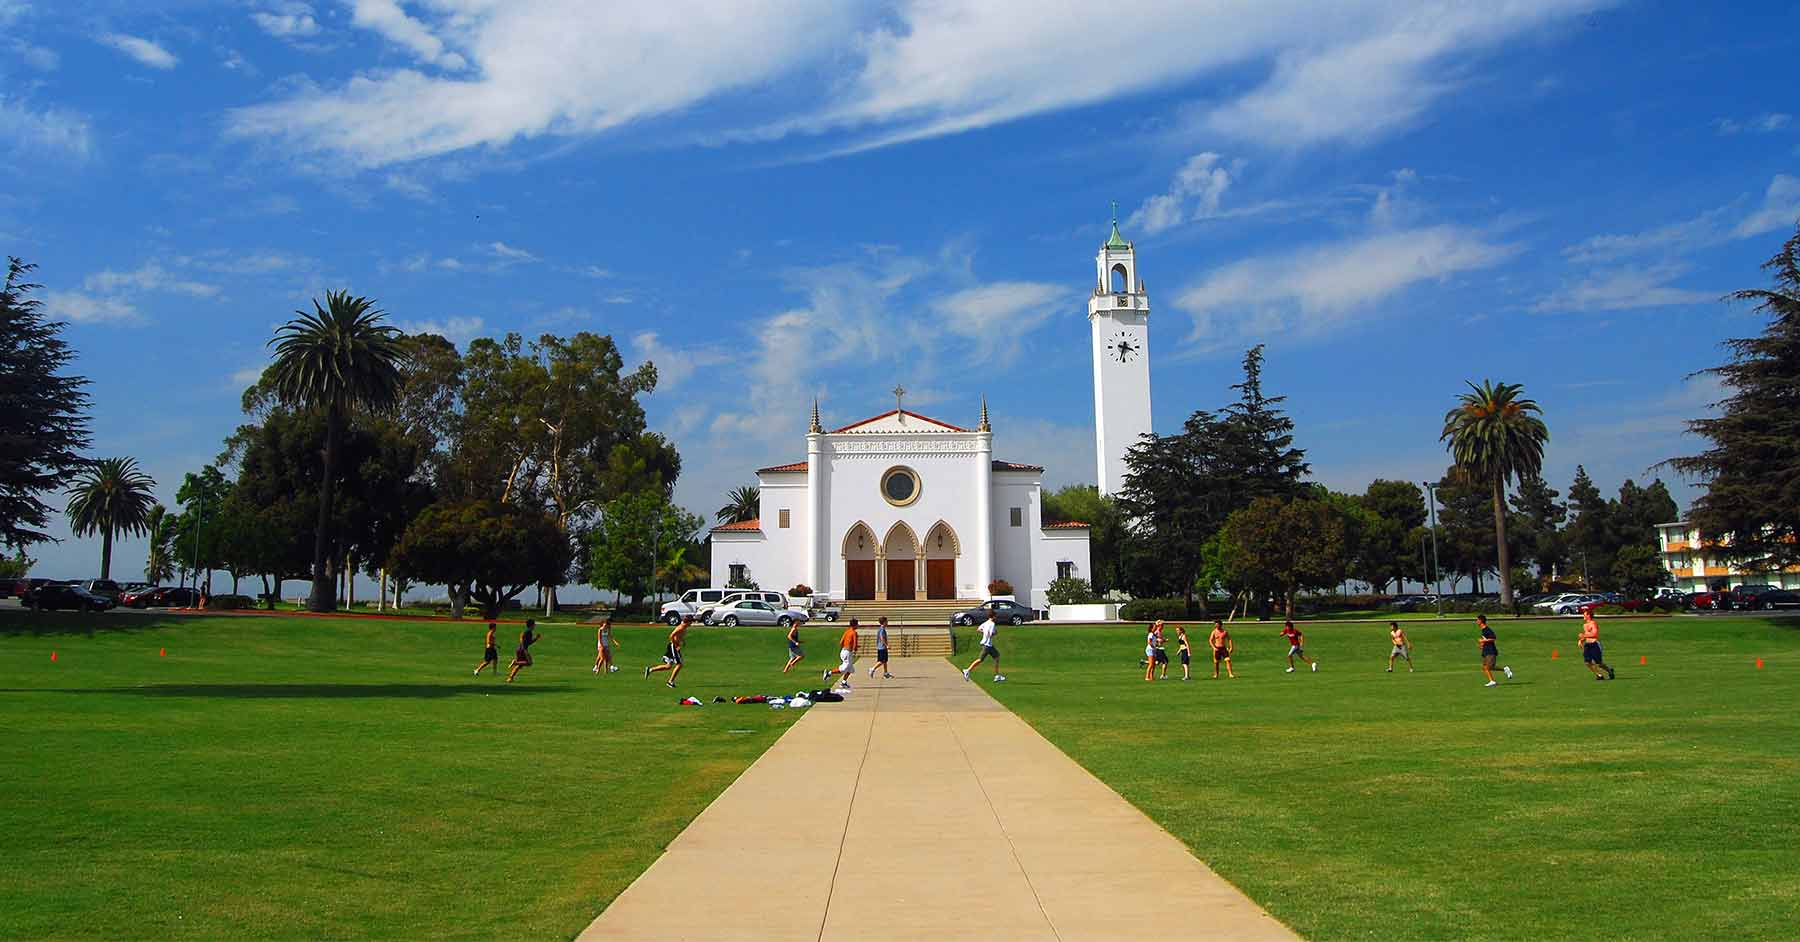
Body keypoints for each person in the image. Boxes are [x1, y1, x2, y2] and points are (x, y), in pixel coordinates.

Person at [645, 617, 688, 687]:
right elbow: (671, 635)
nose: (691, 623)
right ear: (688, 622)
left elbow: (679, 636)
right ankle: (670, 682)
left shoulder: (684, 627)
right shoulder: (680, 627)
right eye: (691, 622)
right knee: (679, 664)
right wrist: (675, 645)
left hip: (673, 646)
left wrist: (682, 641)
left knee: (668, 666)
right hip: (673, 646)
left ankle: (650, 670)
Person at [963, 612, 1005, 682]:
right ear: (993, 616)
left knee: (997, 656)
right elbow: (990, 634)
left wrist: (984, 632)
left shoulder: (985, 623)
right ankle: (967, 670)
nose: (996, 618)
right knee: (980, 659)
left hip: (988, 645)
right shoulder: (992, 624)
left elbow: (978, 629)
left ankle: (997, 676)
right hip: (987, 645)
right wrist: (994, 633)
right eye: (995, 616)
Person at [1476, 614, 1513, 687]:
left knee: (1489, 667)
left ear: (1481, 621)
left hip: (1490, 651)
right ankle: (1492, 680)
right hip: (1485, 651)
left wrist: (1483, 641)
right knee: (1485, 667)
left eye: (1477, 620)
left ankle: (1504, 670)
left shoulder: (1487, 629)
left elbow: (1493, 638)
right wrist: (1482, 645)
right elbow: (1485, 639)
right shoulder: (1483, 630)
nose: (1476, 621)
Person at [823, 619, 858, 689]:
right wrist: (854, 650)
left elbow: (841, 642)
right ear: (854, 625)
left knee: (850, 669)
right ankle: (829, 673)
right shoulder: (854, 633)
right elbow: (855, 643)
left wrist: (845, 647)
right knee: (844, 668)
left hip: (844, 651)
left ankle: (843, 682)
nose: (858, 625)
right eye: (857, 624)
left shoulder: (847, 631)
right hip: (848, 652)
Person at [1578, 611, 1615, 681]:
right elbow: (1587, 635)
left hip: (1594, 645)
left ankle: (1609, 670)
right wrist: (1581, 640)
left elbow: (1594, 634)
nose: (1583, 616)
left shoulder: (1593, 624)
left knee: (1599, 663)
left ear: (1588, 615)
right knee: (1587, 662)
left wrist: (1583, 635)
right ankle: (1599, 675)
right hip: (1587, 645)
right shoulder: (1585, 625)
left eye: (1584, 615)